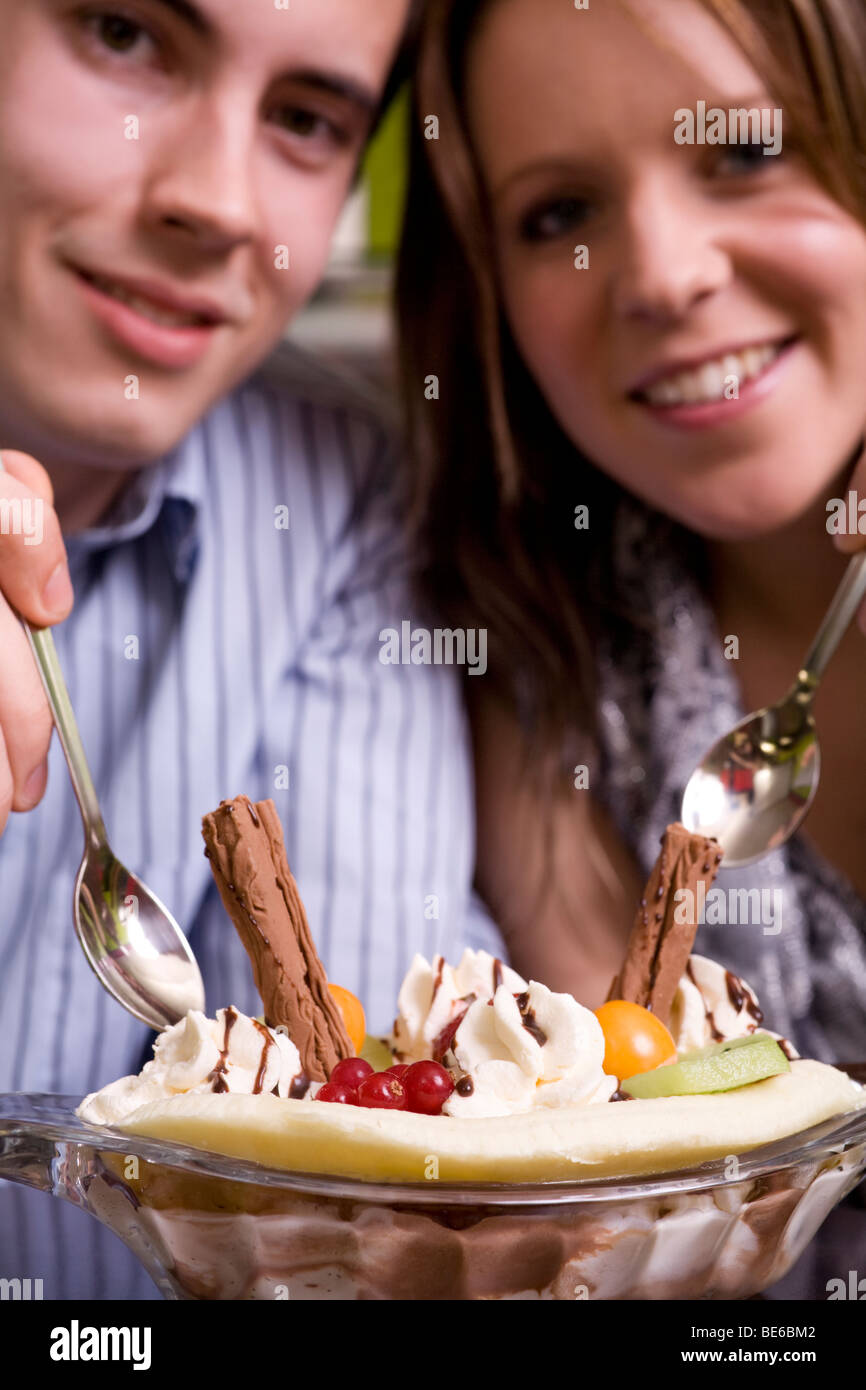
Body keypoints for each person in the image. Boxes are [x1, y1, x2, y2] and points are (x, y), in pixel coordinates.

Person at [0, 0, 507, 1299]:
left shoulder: (346, 504)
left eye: (304, 118)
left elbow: (356, 1219)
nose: (217, 202)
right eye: (123, 33)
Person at [396, 0, 866, 1062]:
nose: (660, 274)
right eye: (559, 213)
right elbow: (651, 1173)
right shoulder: (542, 675)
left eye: (744, 150)